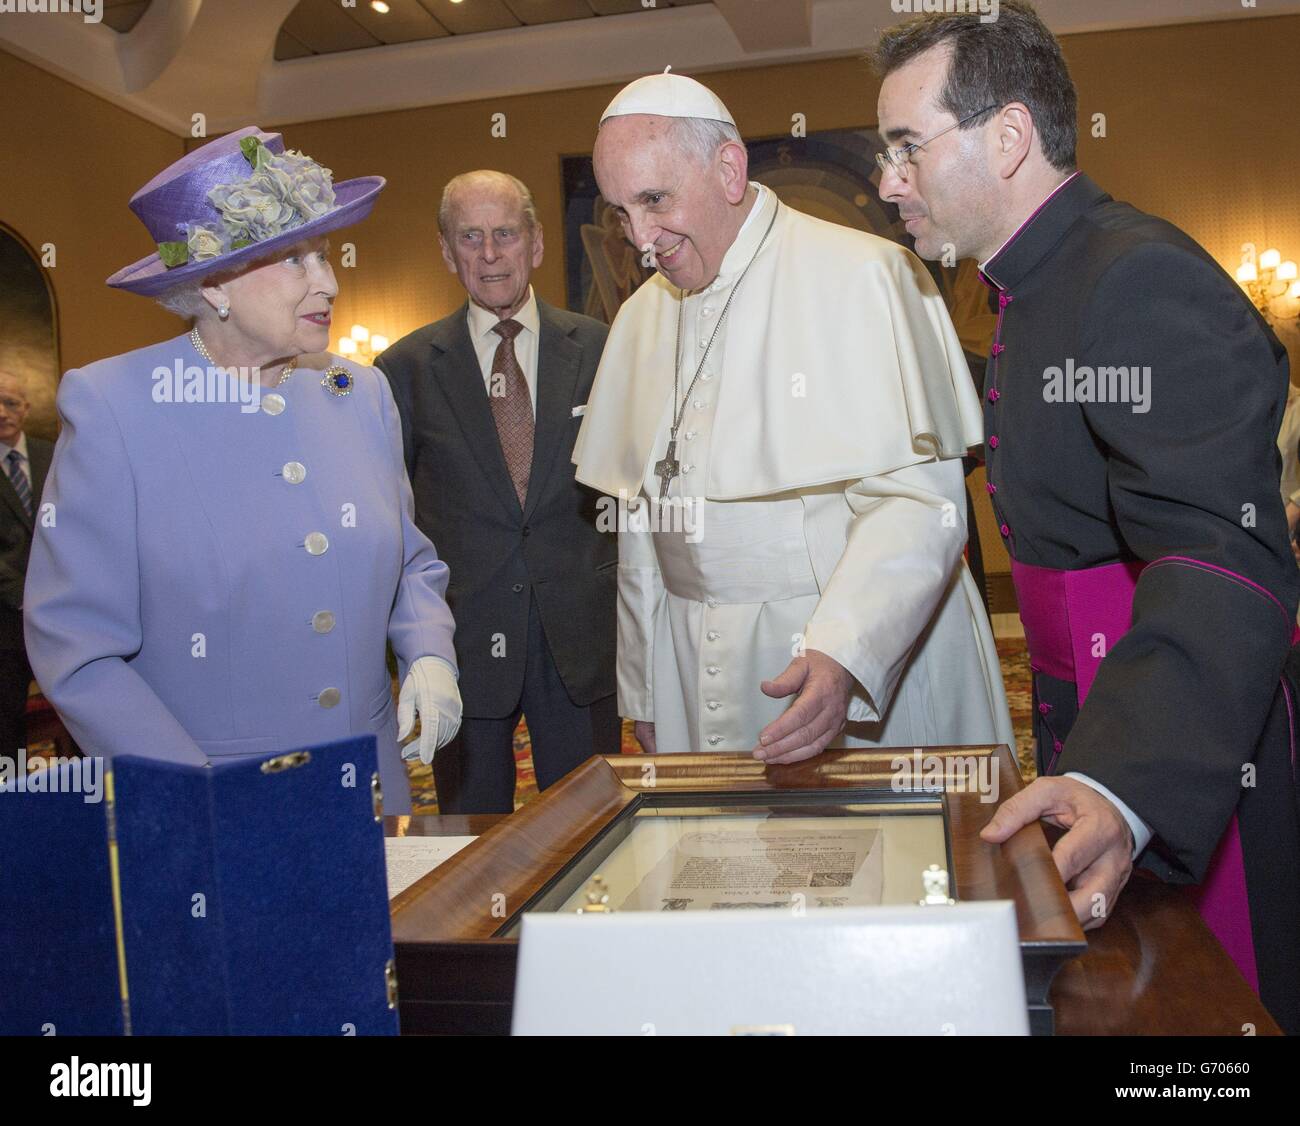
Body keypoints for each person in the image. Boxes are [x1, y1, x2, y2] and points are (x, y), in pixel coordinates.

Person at [873, 1, 1300, 1033]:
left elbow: (1221, 555)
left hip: (1185, 736)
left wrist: (1123, 779)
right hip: (1100, 710)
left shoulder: (1137, 275)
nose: (887, 182)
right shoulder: (1030, 284)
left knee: (1205, 1017)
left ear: (1007, 137)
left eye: (904, 149)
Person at [573, 72, 1014, 762]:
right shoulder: (638, 320)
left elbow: (921, 506)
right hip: (689, 665)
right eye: (621, 211)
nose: (640, 237)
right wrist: (644, 688)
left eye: (654, 200)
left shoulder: (866, 276)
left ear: (727, 169)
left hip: (842, 655)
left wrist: (844, 653)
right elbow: (642, 526)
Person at [23, 127, 461, 814]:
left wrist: (428, 650)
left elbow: (409, 564)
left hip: (372, 795)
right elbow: (79, 651)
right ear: (216, 283)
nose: (329, 282)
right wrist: (200, 794)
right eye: (296, 261)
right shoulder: (115, 406)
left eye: (325, 255)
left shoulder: (359, 392)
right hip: (212, 813)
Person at [377, 172, 618, 814]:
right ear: (446, 251)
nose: (489, 254)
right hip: (462, 642)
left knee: (589, 822)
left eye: (505, 234)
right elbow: (392, 521)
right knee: (470, 836)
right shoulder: (402, 370)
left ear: (535, 244)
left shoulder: (602, 350)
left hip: (580, 640)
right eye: (471, 237)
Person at [0, 370, 52, 756]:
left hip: (62, 614)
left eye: (11, 403)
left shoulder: (52, 453)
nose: (2, 412)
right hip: (6, 624)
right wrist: (25, 596)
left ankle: (95, 800)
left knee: (82, 714)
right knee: (7, 728)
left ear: (26, 408)